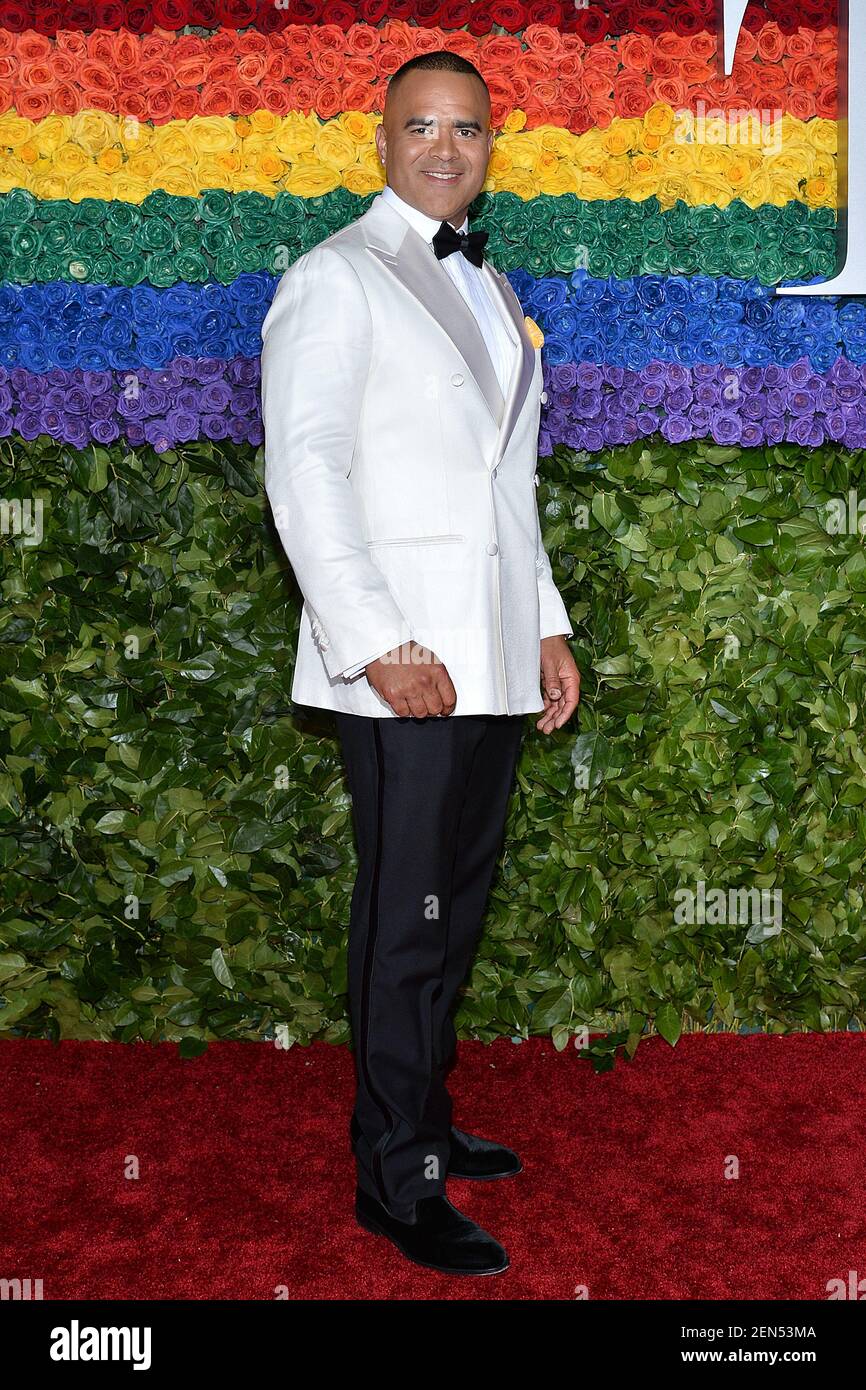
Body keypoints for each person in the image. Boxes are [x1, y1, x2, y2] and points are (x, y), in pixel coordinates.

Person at [261, 50, 581, 1276]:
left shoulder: (488, 285)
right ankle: (394, 1180)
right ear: (380, 138)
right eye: (420, 125)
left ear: (491, 143)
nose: (444, 148)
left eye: (467, 128)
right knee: (405, 922)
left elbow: (510, 485)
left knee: (453, 909)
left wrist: (542, 622)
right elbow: (305, 472)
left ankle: (429, 1126)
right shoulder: (336, 278)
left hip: (490, 656)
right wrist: (376, 642)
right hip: (401, 661)